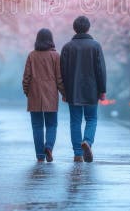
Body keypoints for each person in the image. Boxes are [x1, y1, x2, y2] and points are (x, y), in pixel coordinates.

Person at [60, 15, 107, 162]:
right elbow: (101, 70)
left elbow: (63, 72)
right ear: (88, 28)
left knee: (75, 121)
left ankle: (77, 154)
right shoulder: (95, 46)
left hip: (73, 91)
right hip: (92, 91)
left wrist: (64, 91)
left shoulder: (67, 47)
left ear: (75, 29)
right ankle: (87, 141)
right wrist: (102, 90)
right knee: (91, 119)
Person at [22, 28, 65, 162]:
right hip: (51, 95)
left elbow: (26, 77)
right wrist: (64, 93)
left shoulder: (31, 55)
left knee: (37, 126)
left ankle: (40, 156)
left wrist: (27, 92)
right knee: (52, 124)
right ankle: (49, 147)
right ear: (51, 40)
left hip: (34, 94)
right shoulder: (55, 56)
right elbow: (59, 78)